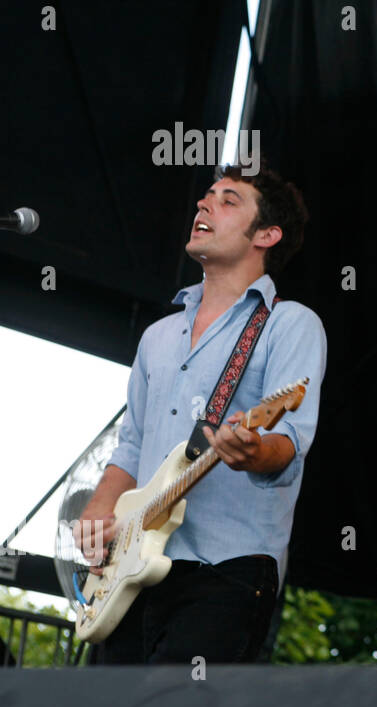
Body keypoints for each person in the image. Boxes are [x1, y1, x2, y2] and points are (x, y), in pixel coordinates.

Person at [79, 165, 327, 664]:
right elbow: (132, 443)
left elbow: (290, 443)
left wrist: (254, 449)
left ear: (266, 235)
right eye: (205, 197)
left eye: (229, 200)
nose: (204, 206)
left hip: (225, 570)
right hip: (131, 570)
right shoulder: (159, 336)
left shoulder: (290, 324)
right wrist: (99, 512)